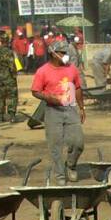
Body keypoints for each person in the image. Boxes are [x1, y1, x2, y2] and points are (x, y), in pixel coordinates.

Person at [31, 39, 86, 183]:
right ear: (54, 54)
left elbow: (78, 88)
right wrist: (49, 97)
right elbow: (35, 91)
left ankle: (71, 165)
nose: (66, 55)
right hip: (52, 111)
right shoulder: (42, 71)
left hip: (70, 109)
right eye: (63, 53)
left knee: (78, 143)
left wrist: (82, 107)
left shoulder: (72, 69)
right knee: (55, 145)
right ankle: (60, 175)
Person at [0, 33, 19, 124]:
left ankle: (0, 116)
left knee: (0, 97)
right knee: (12, 97)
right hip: (9, 78)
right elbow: (12, 66)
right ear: (8, 41)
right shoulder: (9, 52)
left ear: (0, 41)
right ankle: (12, 116)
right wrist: (14, 75)